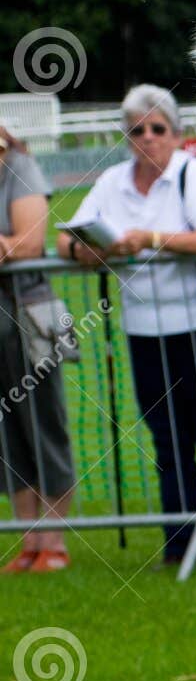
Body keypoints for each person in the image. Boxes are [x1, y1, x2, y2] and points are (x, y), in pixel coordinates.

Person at [57, 85, 196, 567]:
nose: (147, 138)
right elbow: (66, 240)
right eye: (137, 130)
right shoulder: (113, 182)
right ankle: (179, 541)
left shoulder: (193, 173)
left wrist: (152, 239)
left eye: (157, 129)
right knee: (167, 436)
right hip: (143, 331)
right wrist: (96, 250)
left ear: (176, 134)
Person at [0, 125, 74, 573]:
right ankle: (27, 544)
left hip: (30, 319)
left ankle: (54, 545)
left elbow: (30, 244)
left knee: (43, 424)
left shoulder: (20, 167)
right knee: (8, 437)